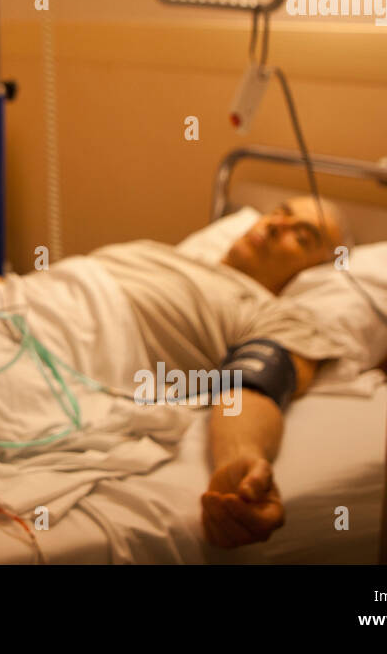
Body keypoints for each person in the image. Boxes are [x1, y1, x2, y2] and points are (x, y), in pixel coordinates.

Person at [86, 195, 348, 549]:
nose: (275, 225)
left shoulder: (271, 313)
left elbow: (256, 383)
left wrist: (241, 461)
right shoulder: (158, 252)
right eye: (279, 213)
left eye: (301, 237)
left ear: (311, 271)